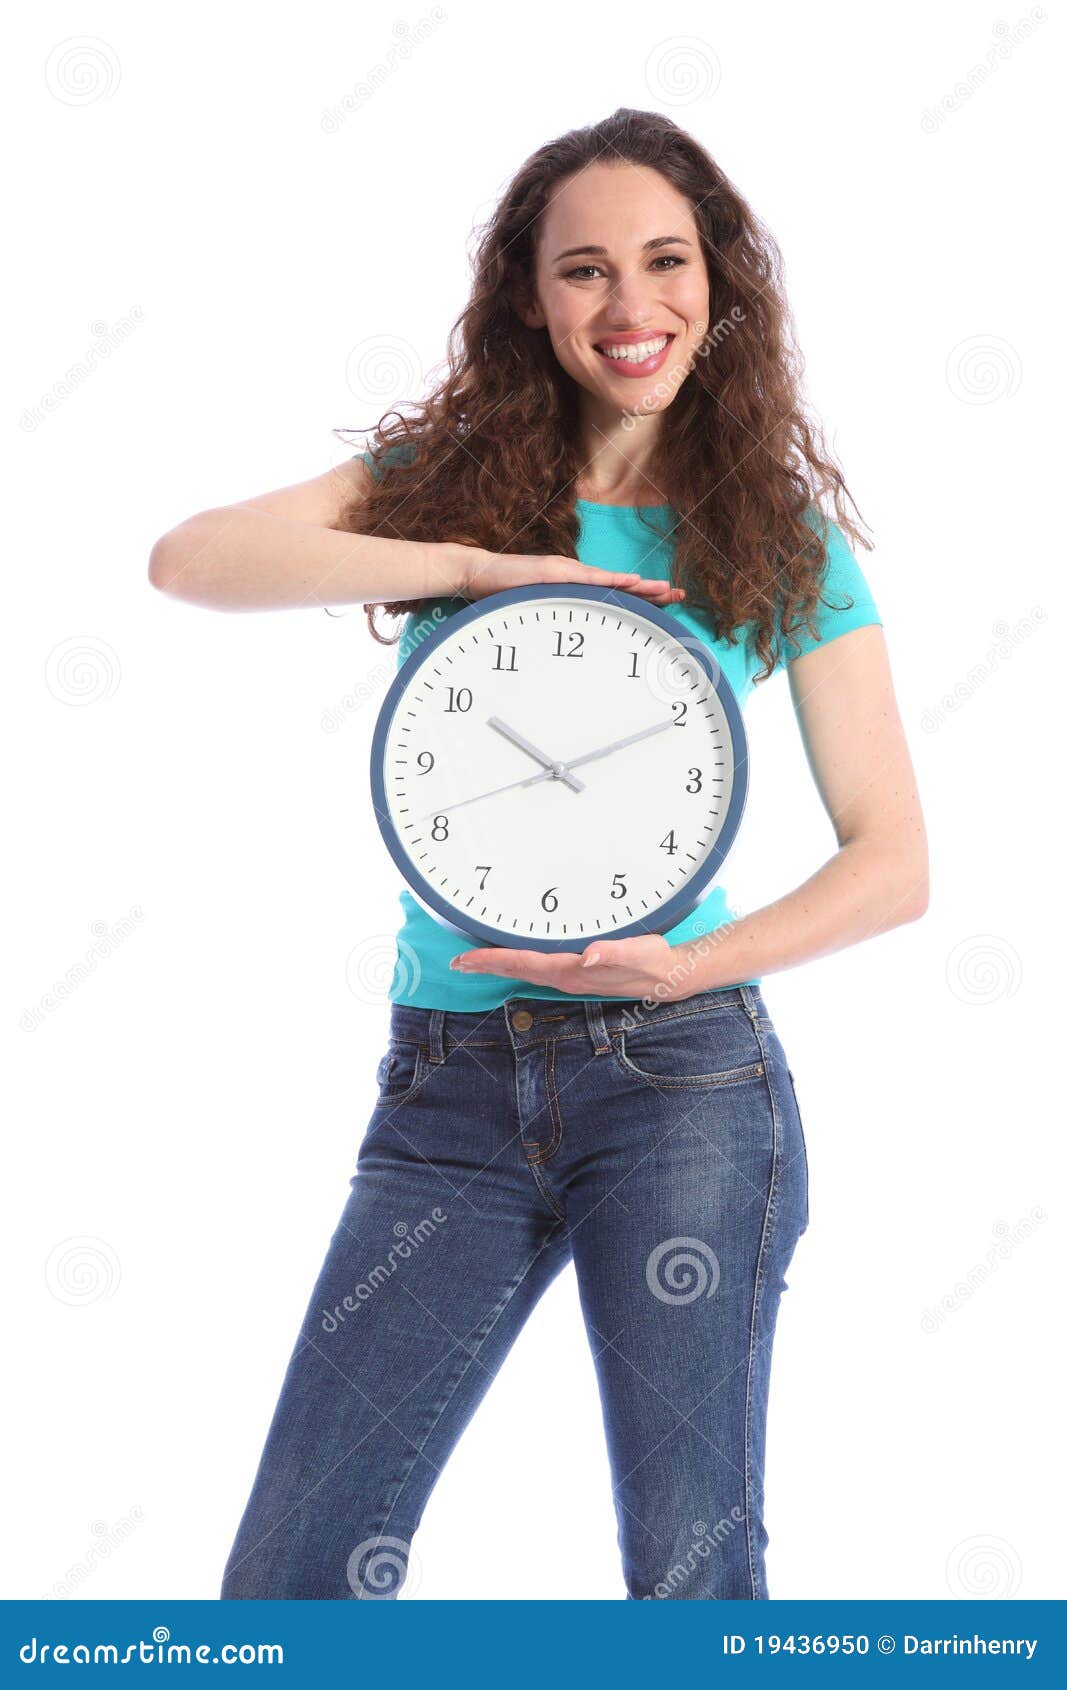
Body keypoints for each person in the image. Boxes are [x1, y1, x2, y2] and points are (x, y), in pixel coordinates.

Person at [149, 107, 928, 1600]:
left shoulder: (775, 535)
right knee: (291, 1584)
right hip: (448, 1083)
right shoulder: (445, 484)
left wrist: (688, 957)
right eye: (583, 271)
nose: (631, 309)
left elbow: (895, 860)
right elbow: (191, 561)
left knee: (691, 1584)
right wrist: (477, 561)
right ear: (528, 294)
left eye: (664, 261)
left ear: (722, 280)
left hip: (684, 1072)